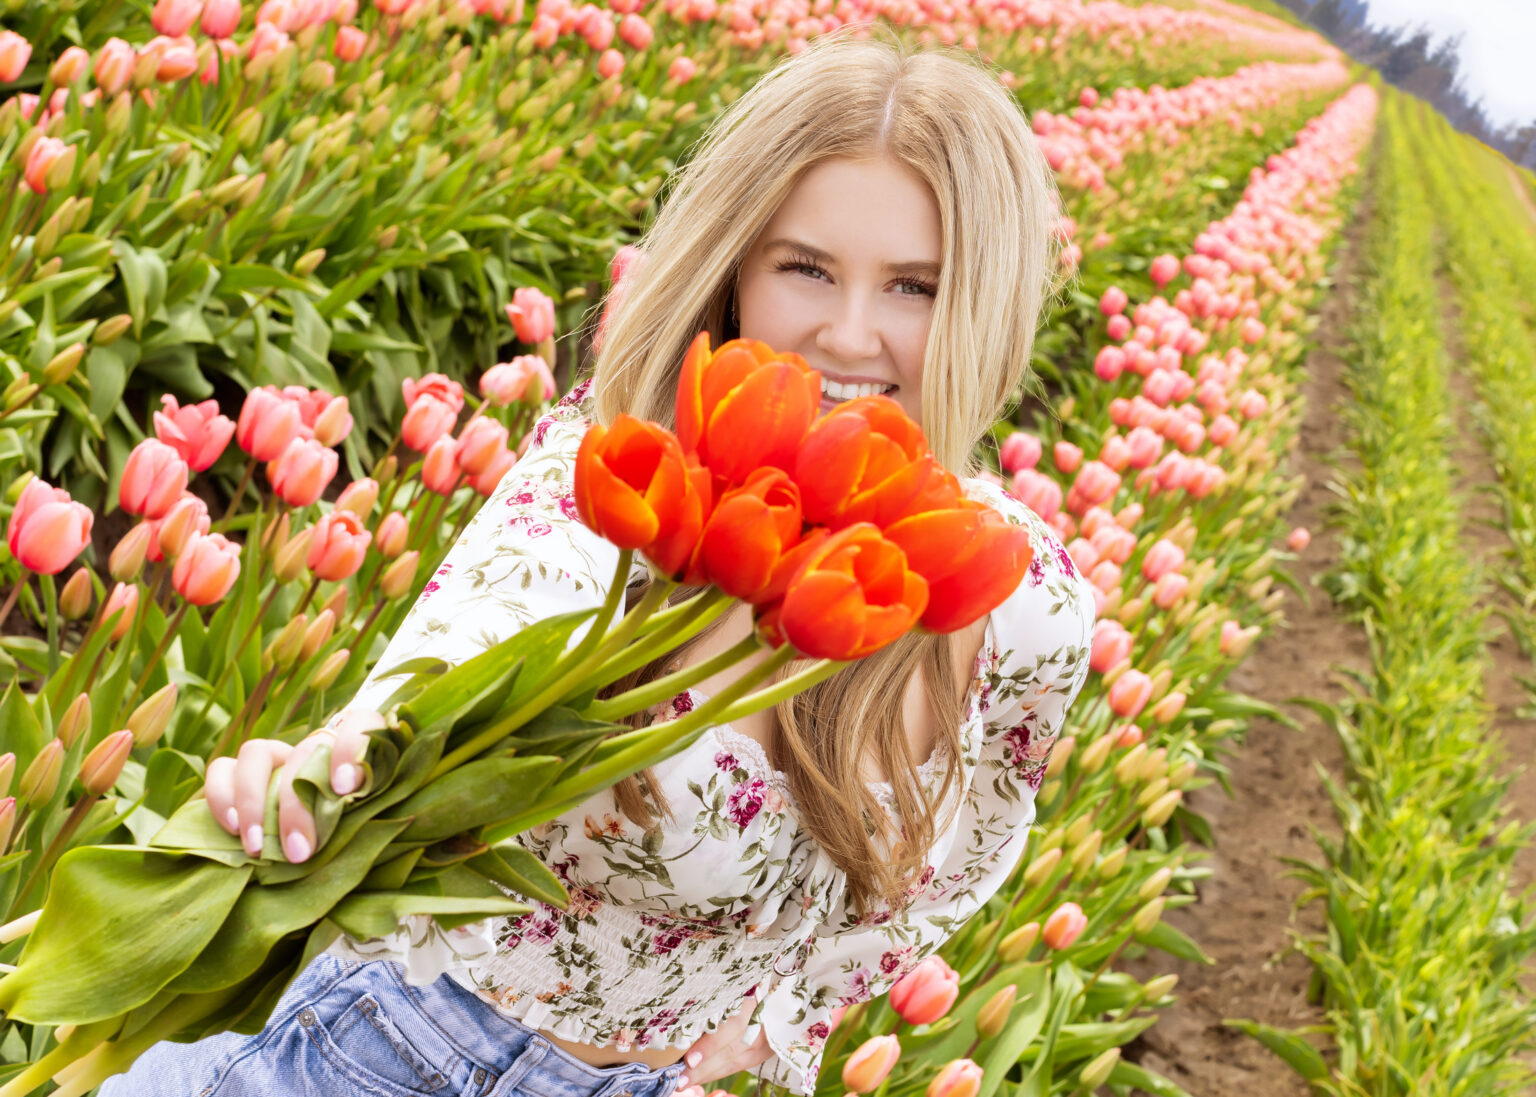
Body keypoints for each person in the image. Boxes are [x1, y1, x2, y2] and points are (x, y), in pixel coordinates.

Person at [102, 28, 1095, 1097]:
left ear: (984, 301)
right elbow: (447, 663)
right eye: (806, 267)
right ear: (735, 272)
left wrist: (782, 1019)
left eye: (915, 286)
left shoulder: (1007, 589)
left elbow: (984, 836)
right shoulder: (629, 476)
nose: (850, 336)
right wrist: (324, 770)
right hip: (383, 1052)